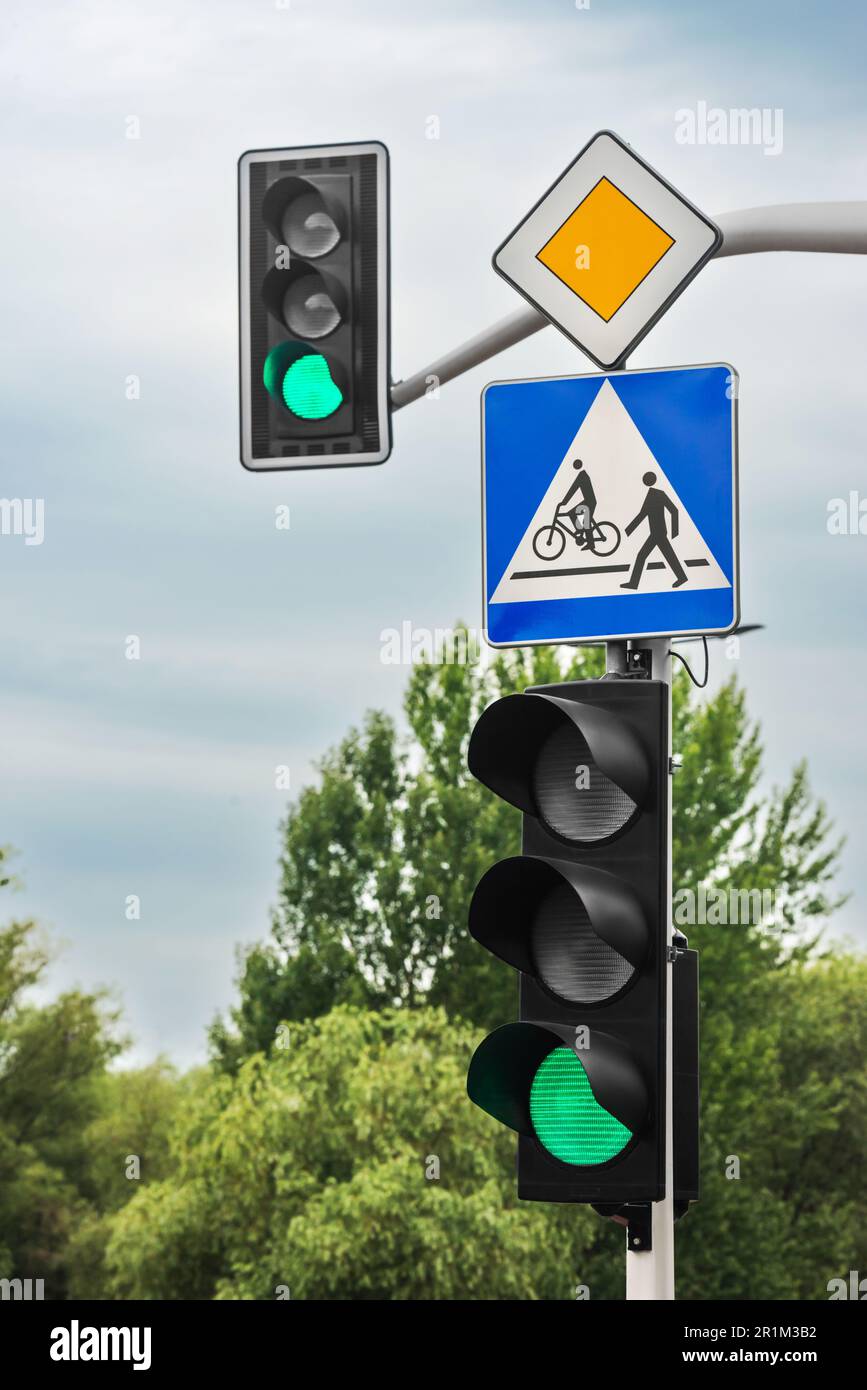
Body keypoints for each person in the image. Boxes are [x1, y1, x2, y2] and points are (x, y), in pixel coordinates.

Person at [620, 471, 687, 589]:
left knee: (642, 555)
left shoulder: (656, 494)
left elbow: (673, 510)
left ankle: (634, 583)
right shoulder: (653, 494)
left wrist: (675, 532)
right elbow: (643, 514)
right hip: (658, 532)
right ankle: (681, 577)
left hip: (658, 533)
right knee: (669, 555)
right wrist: (628, 530)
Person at [557, 460, 597, 548]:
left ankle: (590, 543)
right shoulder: (582, 475)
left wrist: (564, 502)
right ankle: (580, 530)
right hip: (588, 501)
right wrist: (564, 502)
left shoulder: (582, 476)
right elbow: (573, 488)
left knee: (586, 522)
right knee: (572, 513)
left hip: (590, 502)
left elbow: (573, 489)